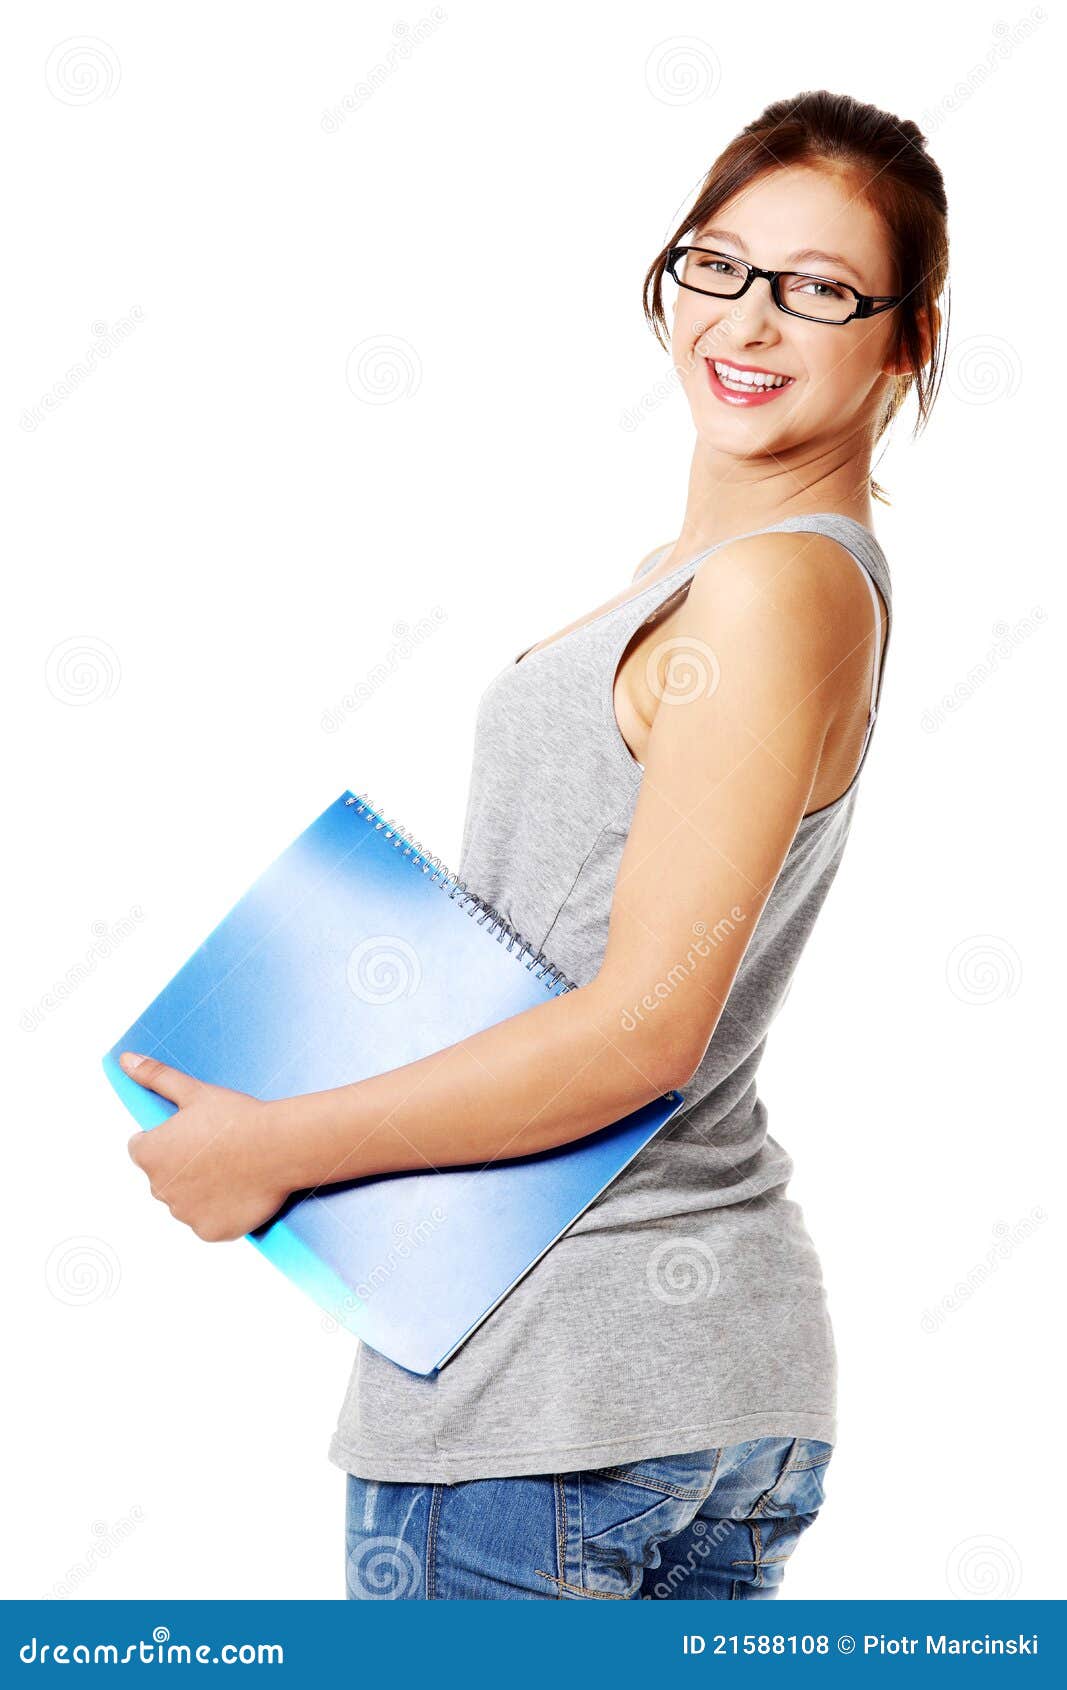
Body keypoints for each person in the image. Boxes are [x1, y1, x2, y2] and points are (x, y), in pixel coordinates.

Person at [122, 89, 949, 1600]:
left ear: (903, 337)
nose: (751, 321)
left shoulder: (771, 593)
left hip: (554, 1389)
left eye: (820, 289)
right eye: (719, 264)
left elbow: (643, 1030)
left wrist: (269, 1147)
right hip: (685, 1382)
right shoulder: (724, 581)